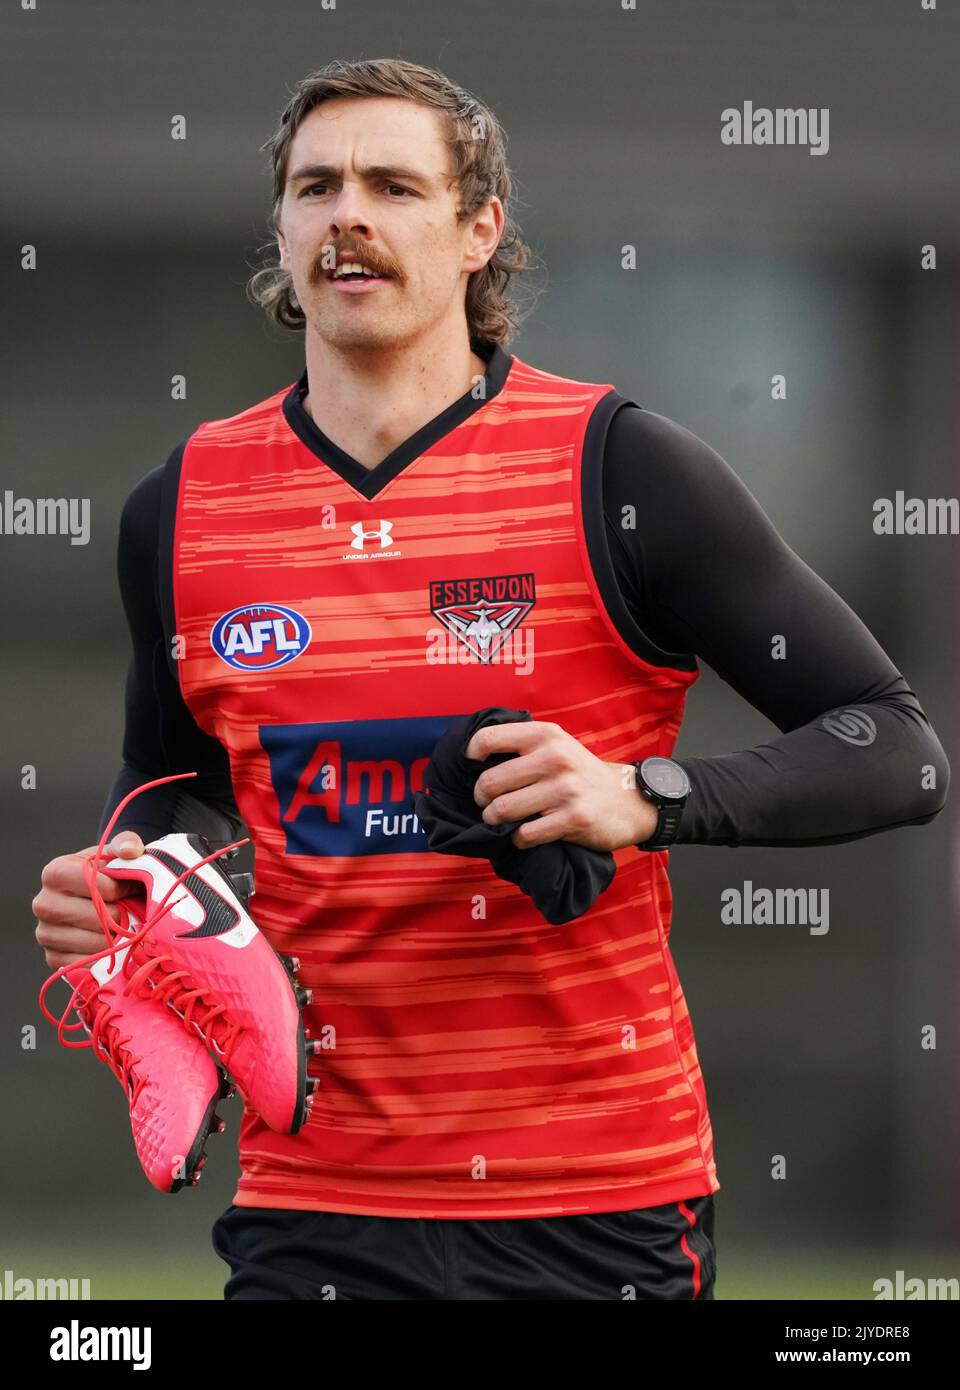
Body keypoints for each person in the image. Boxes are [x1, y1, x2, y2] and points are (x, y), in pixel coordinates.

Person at [32, 57, 949, 1301]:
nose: (347, 213)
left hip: (597, 1200)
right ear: (285, 232)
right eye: (317, 186)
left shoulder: (621, 470)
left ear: (478, 233)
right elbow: (173, 779)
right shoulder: (183, 506)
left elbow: (896, 747)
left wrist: (644, 797)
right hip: (315, 1202)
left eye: (393, 184)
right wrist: (130, 882)